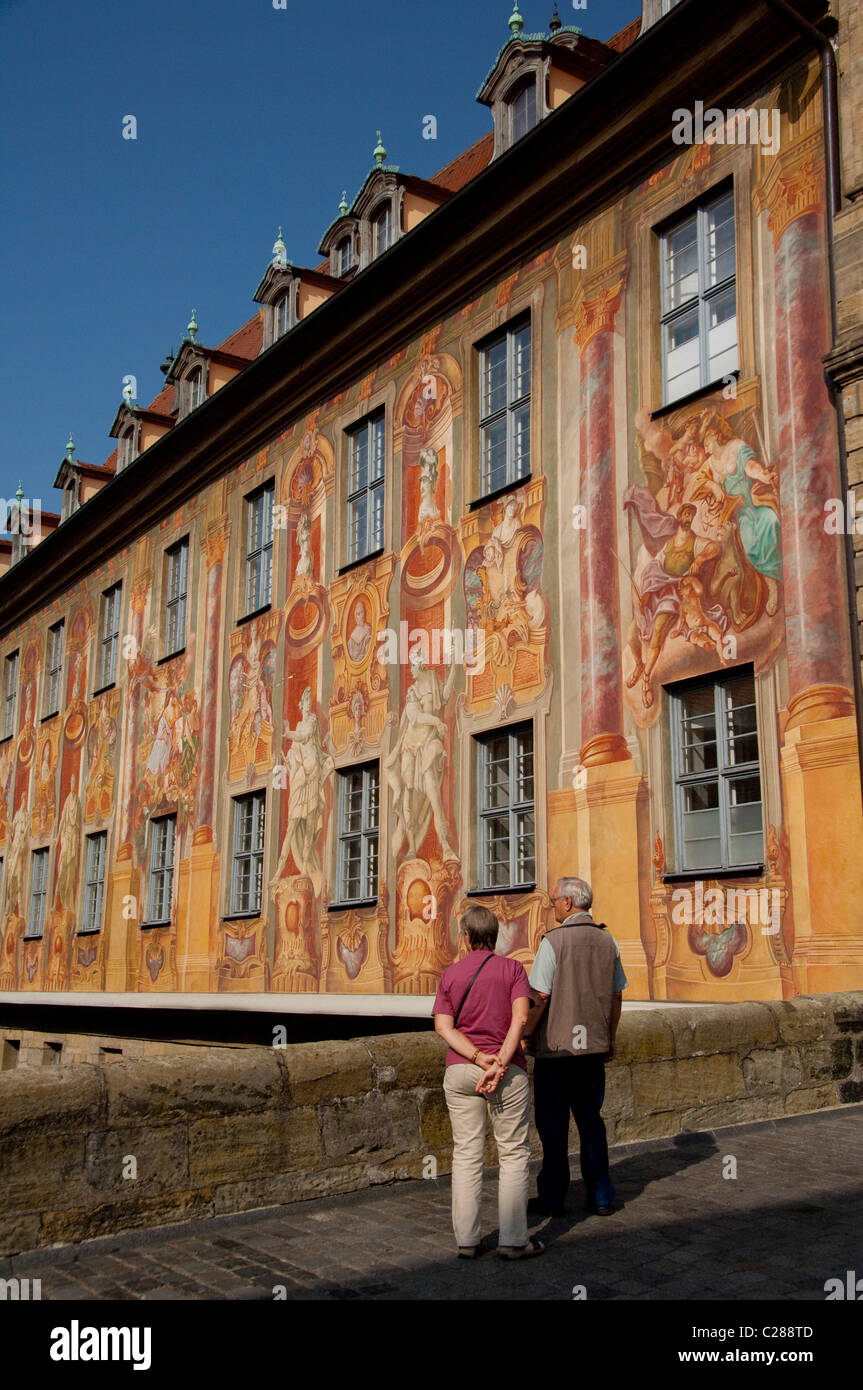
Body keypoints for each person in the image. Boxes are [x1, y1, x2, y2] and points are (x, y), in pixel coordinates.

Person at [433, 905, 543, 1260]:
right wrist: (499, 1063)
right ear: (495, 936)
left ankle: (467, 1240)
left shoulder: (450, 974)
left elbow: (443, 1027)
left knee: (466, 1153)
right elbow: (520, 1020)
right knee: (512, 1153)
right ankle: (513, 1241)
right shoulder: (512, 969)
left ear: (465, 937)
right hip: (506, 1070)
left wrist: (479, 1059)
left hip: (461, 1069)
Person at [523, 876, 627, 1217]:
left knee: (553, 1127)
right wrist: (610, 1037)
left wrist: (526, 1033)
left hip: (557, 1049)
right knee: (591, 1123)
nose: (552, 905)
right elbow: (616, 995)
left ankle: (554, 1197)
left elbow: (540, 995)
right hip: (592, 1049)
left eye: (554, 900)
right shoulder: (607, 940)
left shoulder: (553, 942)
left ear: (568, 903)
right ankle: (600, 1194)